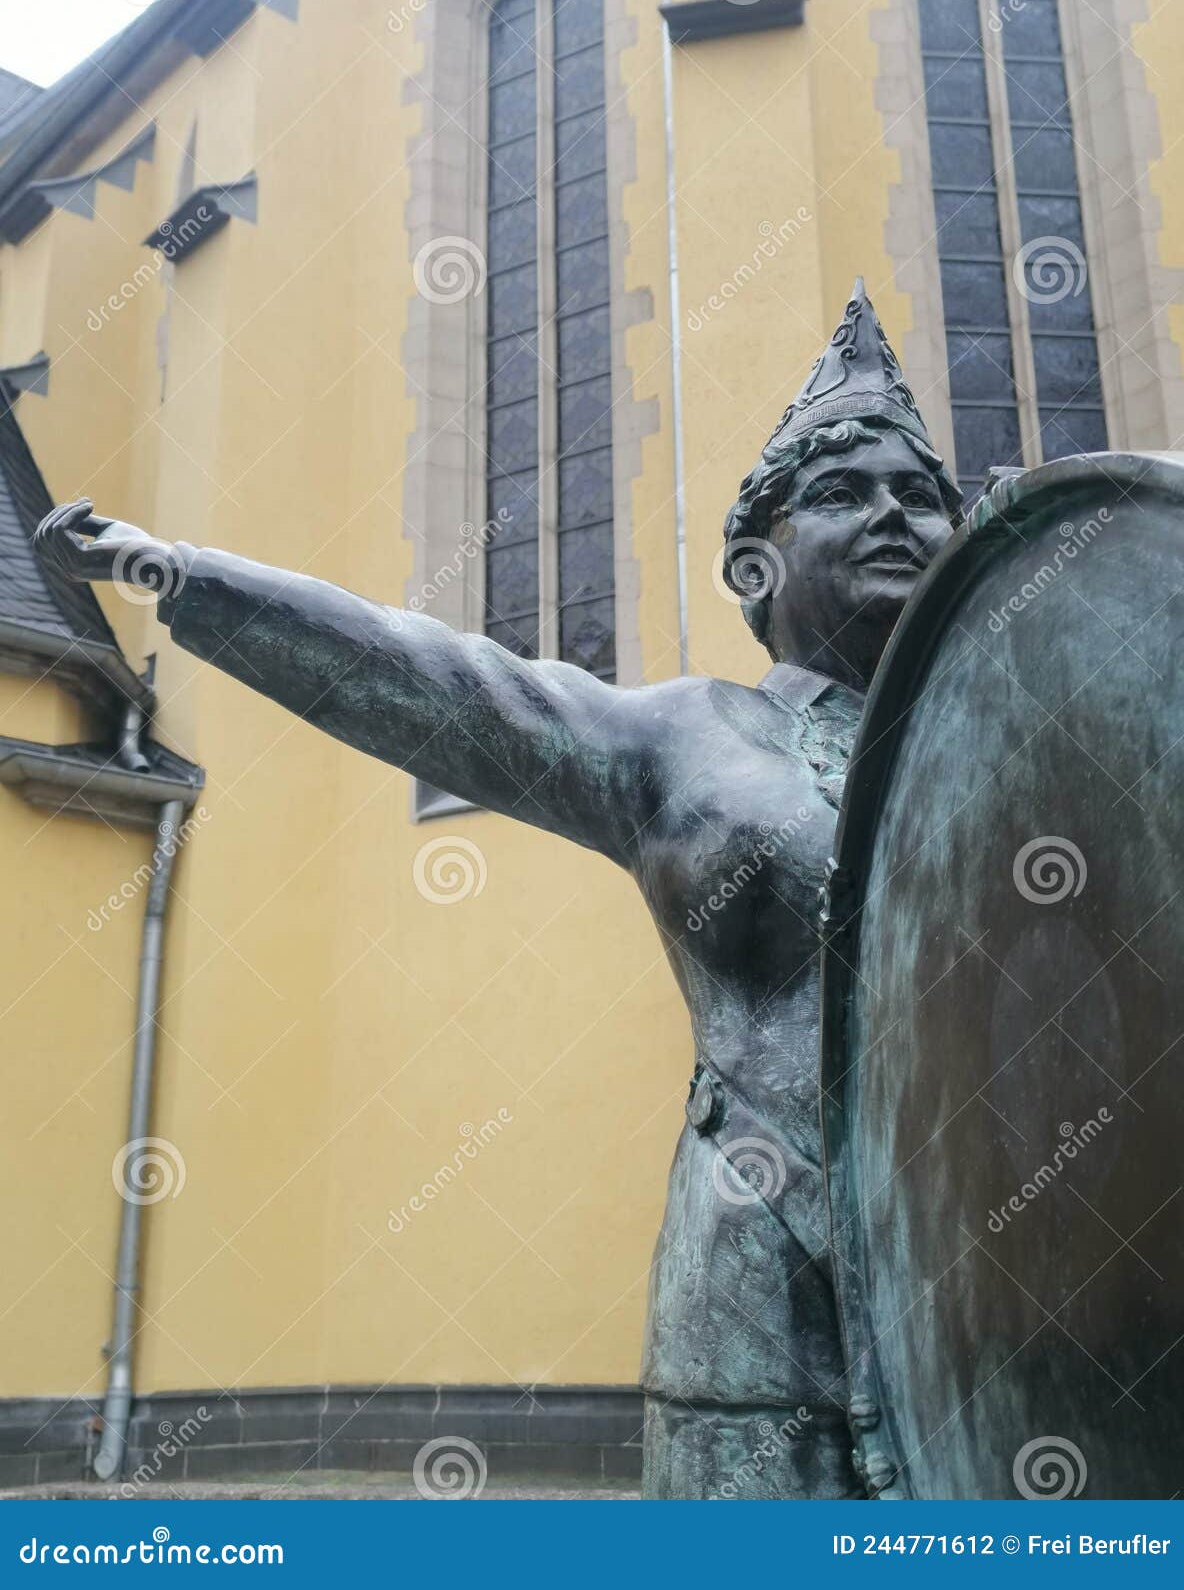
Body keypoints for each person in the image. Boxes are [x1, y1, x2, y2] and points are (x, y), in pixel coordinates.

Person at [36, 280, 961, 1498]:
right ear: (759, 561)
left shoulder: (1006, 738)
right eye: (841, 493)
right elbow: (435, 679)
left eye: (922, 497)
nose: (892, 514)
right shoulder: (687, 736)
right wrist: (187, 576)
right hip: (761, 1263)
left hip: (981, 1261)